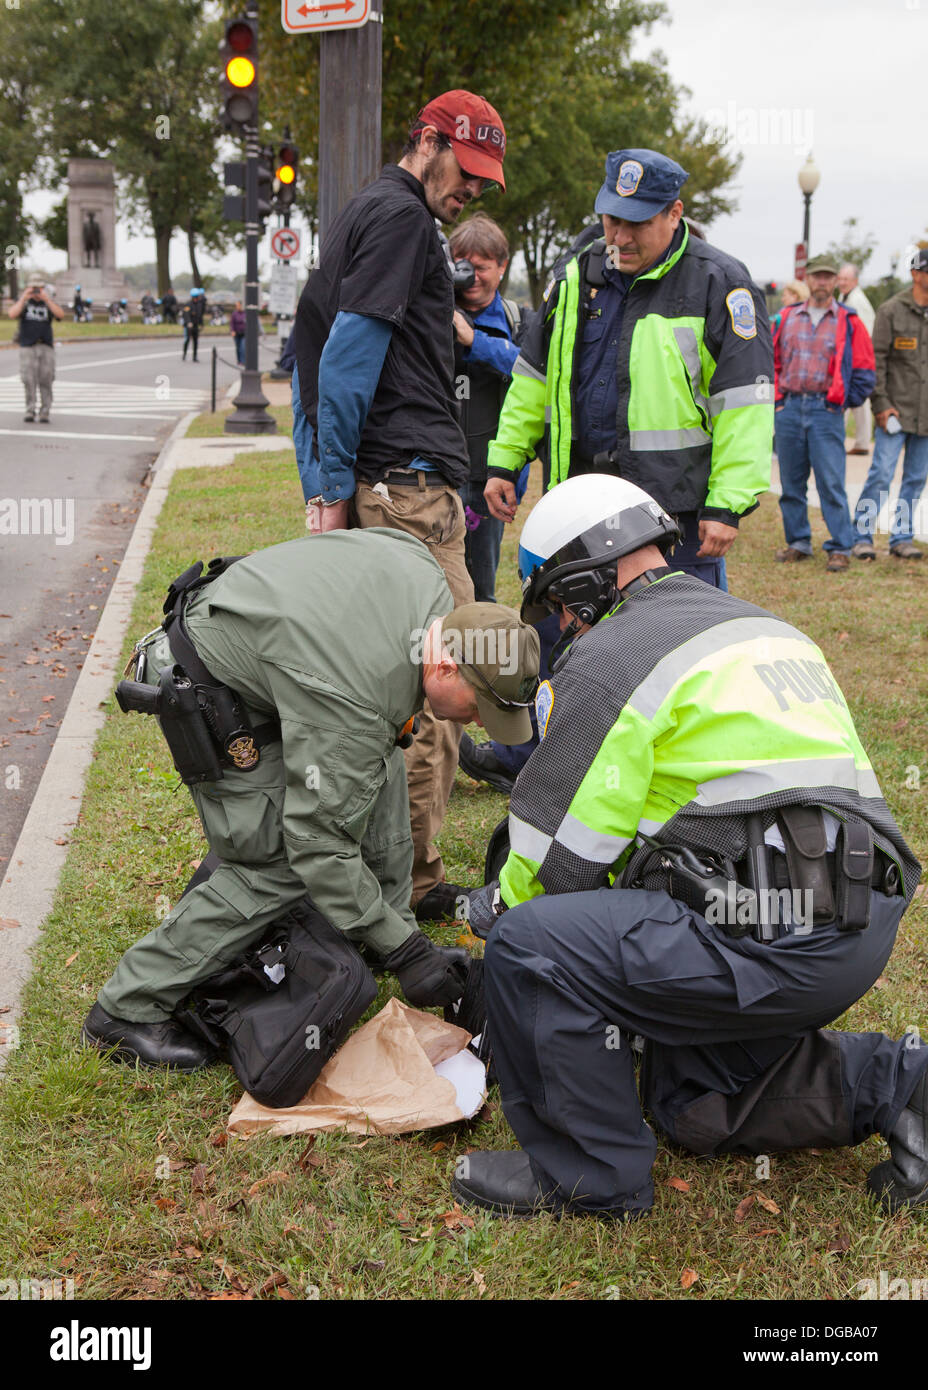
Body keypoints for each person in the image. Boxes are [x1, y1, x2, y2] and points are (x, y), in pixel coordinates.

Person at [451, 474, 924, 1221]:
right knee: (690, 1098)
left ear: (585, 579)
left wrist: (494, 909)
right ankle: (907, 1087)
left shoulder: (611, 656)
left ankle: (589, 1179)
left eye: (562, 606)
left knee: (531, 943)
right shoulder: (758, 624)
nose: (566, 626)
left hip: (765, 923)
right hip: (852, 925)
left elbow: (557, 857)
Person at [81, 530, 540, 1071]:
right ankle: (126, 1007)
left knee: (383, 762)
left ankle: (377, 929)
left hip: (277, 655)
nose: (480, 725)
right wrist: (411, 955)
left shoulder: (426, 579)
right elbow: (317, 845)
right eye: (481, 707)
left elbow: (371, 756)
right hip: (206, 679)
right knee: (273, 860)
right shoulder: (354, 699)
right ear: (443, 667)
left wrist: (395, 938)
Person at [291, 89, 508, 922]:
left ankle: (375, 879)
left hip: (392, 485)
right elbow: (342, 357)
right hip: (405, 493)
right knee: (454, 687)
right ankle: (412, 888)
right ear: (429, 140)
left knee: (392, 694)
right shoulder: (403, 220)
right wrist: (335, 491)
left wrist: (326, 482)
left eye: (486, 182)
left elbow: (310, 352)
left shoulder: (361, 212)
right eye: (469, 171)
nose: (475, 192)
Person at [484, 148, 774, 592]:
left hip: (673, 514)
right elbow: (533, 378)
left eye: (636, 223)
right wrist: (505, 461)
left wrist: (727, 505)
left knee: (674, 643)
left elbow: (743, 404)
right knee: (577, 647)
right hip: (578, 505)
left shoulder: (719, 283)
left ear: (674, 213)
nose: (619, 236)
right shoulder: (575, 277)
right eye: (610, 220)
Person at [772, 253, 875, 573]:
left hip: (825, 411)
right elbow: (770, 359)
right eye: (817, 276)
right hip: (789, 408)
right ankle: (798, 542)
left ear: (835, 281)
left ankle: (840, 546)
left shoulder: (848, 320)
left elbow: (865, 367)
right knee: (791, 483)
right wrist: (778, 400)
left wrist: (842, 401)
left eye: (828, 276)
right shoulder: (787, 317)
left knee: (831, 483)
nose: (822, 282)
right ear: (808, 279)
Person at [450, 213, 524, 603]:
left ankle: (476, 659)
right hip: (436, 467)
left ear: (501, 267)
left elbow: (530, 373)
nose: (472, 278)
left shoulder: (516, 320)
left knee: (480, 587)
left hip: (487, 476)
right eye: (463, 268)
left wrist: (474, 340)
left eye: (481, 268)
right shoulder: (432, 311)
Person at [851, 246, 928, 563]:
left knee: (915, 479)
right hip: (894, 412)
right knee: (881, 475)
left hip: (925, 417)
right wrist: (881, 406)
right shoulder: (891, 311)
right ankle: (862, 537)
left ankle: (902, 537)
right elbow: (875, 363)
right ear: (915, 274)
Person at [8, 282, 65, 424]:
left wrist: (47, 299)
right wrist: (23, 297)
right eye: (34, 288)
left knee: (46, 379)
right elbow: (12, 314)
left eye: (39, 288)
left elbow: (60, 315)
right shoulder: (25, 303)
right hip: (27, 346)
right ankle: (30, 410)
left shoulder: (48, 303)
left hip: (46, 345)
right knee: (28, 379)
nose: (36, 291)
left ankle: (45, 411)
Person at [837, 262, 876, 456]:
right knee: (855, 402)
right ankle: (859, 441)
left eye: (846, 279)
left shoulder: (857, 301)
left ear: (855, 280)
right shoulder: (844, 296)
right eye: (840, 278)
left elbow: (865, 333)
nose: (842, 282)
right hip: (849, 354)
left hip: (858, 357)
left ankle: (862, 442)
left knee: (860, 401)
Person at [230, 300, 246, 366]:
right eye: (236, 306)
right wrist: (232, 331)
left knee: (243, 347)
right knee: (238, 347)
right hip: (237, 333)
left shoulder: (245, 313)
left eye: (238, 305)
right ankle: (239, 360)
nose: (237, 307)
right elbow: (232, 323)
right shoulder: (234, 314)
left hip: (244, 333)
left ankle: (243, 361)